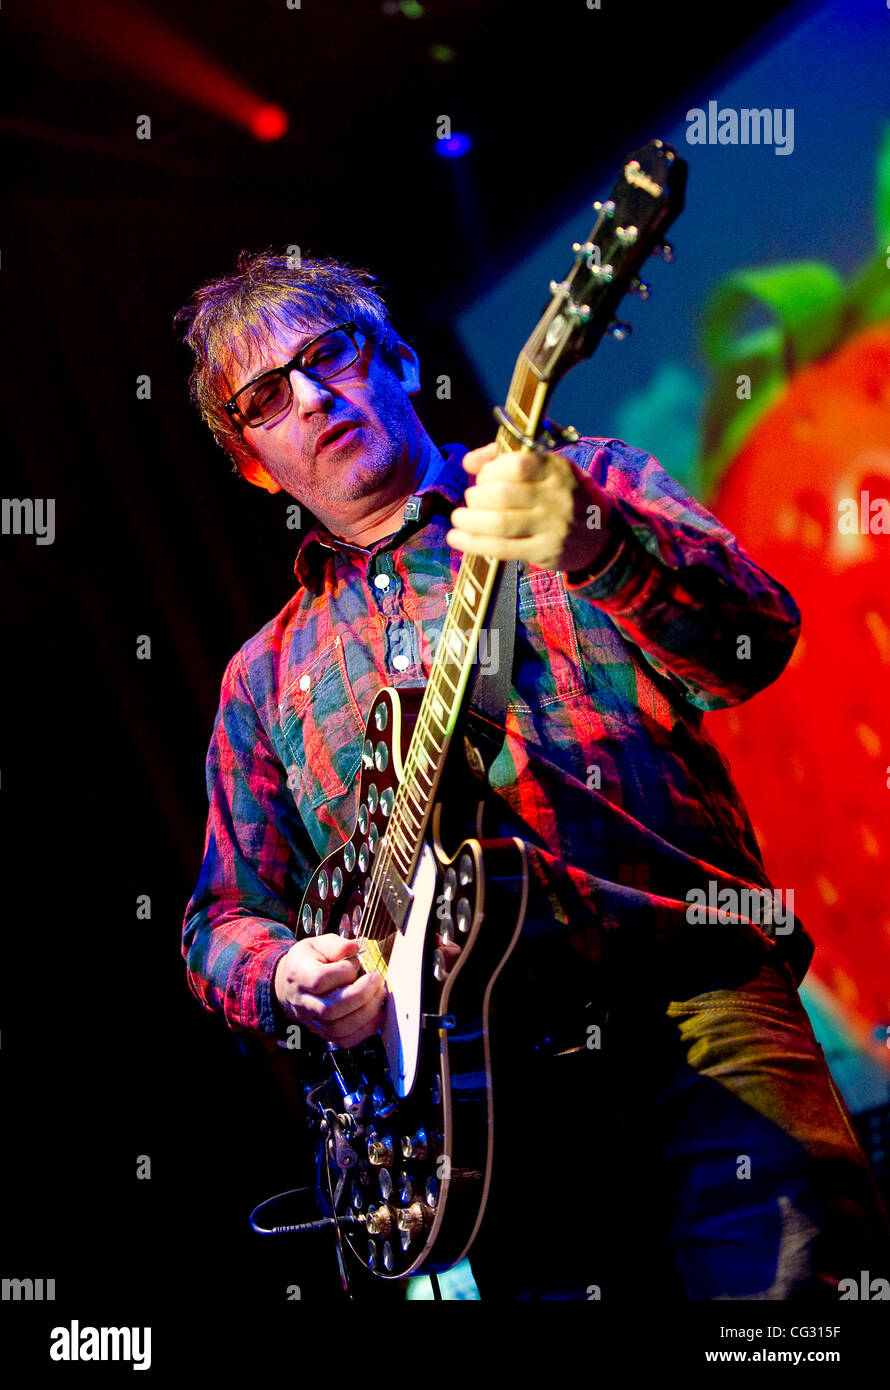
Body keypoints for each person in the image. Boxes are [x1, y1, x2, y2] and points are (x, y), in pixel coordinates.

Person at [177, 249, 890, 1301]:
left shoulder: (586, 480)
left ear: (398, 361)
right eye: (266, 397)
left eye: (328, 355)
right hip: (468, 1109)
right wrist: (284, 975)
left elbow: (752, 645)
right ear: (251, 462)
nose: (314, 397)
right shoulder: (262, 677)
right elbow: (217, 921)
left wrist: (594, 541)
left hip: (690, 1001)